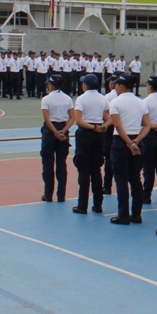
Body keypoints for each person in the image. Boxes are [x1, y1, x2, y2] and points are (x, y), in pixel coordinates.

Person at [108, 74, 151, 225]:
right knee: (135, 179)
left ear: (120, 86)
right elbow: (147, 125)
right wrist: (137, 140)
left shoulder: (115, 102)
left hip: (121, 141)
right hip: (137, 139)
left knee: (121, 179)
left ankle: (123, 214)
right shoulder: (140, 102)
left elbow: (118, 126)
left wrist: (129, 143)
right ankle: (137, 214)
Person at [72, 74, 109, 215]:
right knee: (96, 170)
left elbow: (79, 121)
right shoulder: (103, 98)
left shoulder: (81, 99)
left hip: (85, 133)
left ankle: (82, 205)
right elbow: (109, 117)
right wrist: (102, 126)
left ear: (85, 85)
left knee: (83, 170)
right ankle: (98, 204)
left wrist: (93, 127)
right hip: (99, 134)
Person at [40, 74, 74, 202]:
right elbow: (72, 117)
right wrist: (63, 131)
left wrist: (55, 132)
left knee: (48, 164)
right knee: (61, 163)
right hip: (63, 128)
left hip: (50, 131)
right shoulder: (67, 98)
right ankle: (61, 195)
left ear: (51, 85)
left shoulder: (46, 99)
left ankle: (48, 194)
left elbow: (47, 119)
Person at [141, 76, 157, 204]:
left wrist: (154, 126)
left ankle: (146, 195)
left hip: (149, 135)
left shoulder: (145, 102)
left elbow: (142, 121)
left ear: (150, 87)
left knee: (148, 168)